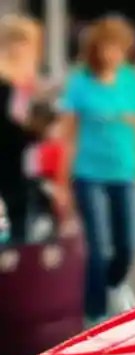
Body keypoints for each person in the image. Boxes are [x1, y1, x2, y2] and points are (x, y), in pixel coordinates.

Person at [58, 16, 135, 324]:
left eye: (120, 48)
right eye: (108, 47)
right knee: (99, 248)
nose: (114, 54)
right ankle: (94, 313)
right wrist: (62, 185)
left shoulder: (131, 81)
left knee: (128, 245)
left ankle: (115, 284)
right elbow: (68, 138)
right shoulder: (80, 83)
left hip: (125, 173)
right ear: (96, 49)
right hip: (90, 175)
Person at [0, 15, 49, 246]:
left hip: (23, 170)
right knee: (15, 237)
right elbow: (9, 130)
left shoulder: (23, 84)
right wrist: (37, 130)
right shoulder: (6, 84)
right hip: (9, 172)